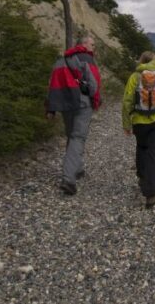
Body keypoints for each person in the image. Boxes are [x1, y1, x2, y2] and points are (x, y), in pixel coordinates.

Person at [45, 36, 102, 195]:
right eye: (92, 44)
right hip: (82, 104)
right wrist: (94, 98)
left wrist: (51, 107)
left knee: (72, 135)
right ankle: (68, 179)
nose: (93, 47)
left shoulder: (61, 60)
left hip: (65, 104)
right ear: (83, 44)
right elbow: (94, 83)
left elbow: (52, 84)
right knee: (78, 137)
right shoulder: (87, 58)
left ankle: (77, 168)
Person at [121, 51, 155, 208]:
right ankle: (151, 193)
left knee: (142, 148)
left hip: (140, 121)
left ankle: (141, 177)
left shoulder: (135, 77)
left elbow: (127, 102)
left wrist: (126, 124)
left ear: (141, 61)